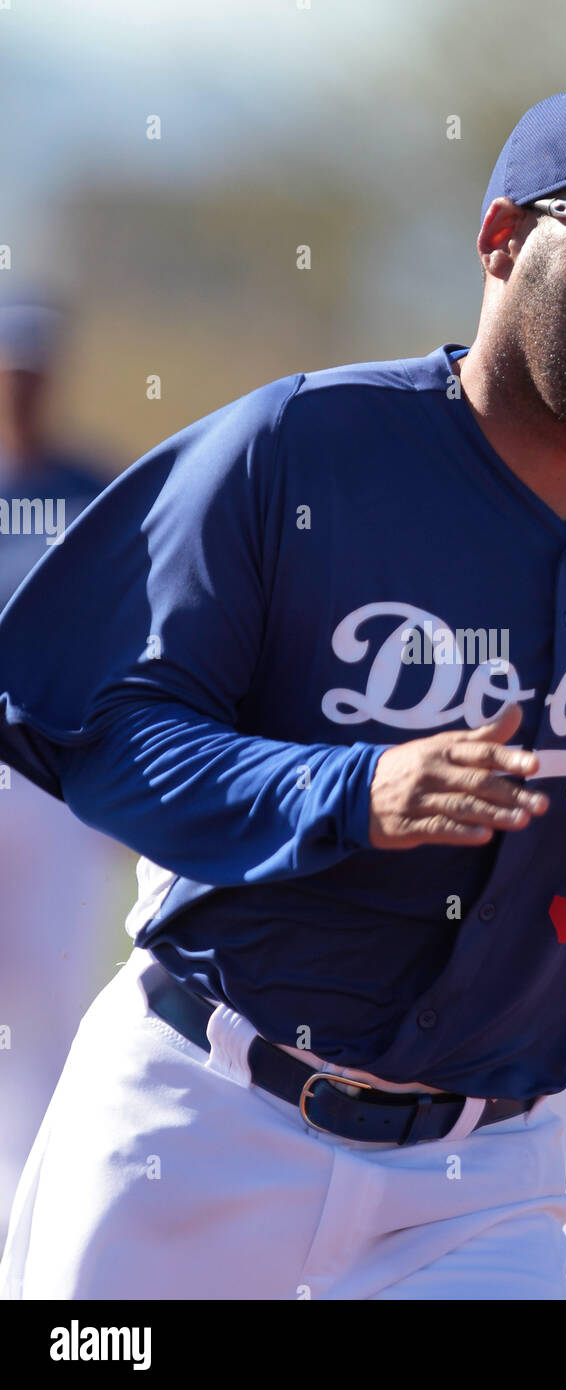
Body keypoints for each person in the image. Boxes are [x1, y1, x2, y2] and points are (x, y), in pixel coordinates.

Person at [0, 84, 566, 1301]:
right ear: (505, 238)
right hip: (193, 1124)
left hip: (484, 1184)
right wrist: (353, 785)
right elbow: (100, 727)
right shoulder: (294, 451)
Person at [0, 294, 121, 1244]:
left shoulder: (90, 485)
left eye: (32, 367)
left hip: (51, 776)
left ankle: (31, 1204)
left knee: (51, 986)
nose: (21, 385)